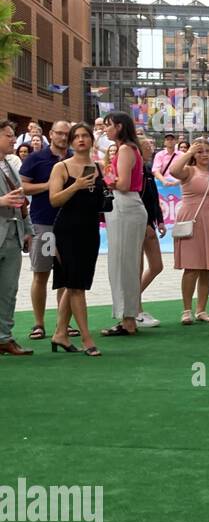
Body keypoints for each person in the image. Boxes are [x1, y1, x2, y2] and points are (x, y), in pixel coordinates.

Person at [46, 124, 104, 356]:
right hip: (67, 230)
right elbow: (54, 200)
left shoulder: (98, 167)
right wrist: (77, 186)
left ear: (91, 140)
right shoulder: (61, 167)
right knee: (76, 286)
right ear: (70, 142)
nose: (81, 140)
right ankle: (87, 339)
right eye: (76, 137)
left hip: (90, 230)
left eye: (85, 136)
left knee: (75, 282)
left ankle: (60, 333)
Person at [19, 119, 71, 341]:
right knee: (41, 273)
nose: (63, 137)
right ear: (51, 134)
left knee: (66, 276)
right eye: (59, 133)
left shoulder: (74, 158)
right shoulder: (35, 158)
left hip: (70, 225)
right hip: (44, 223)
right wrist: (50, 186)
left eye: (66, 134)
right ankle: (38, 323)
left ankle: (63, 325)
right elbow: (23, 187)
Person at [172, 138, 209, 324]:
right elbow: (173, 171)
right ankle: (186, 310)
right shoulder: (188, 171)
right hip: (192, 221)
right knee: (191, 267)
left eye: (207, 151)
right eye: (200, 151)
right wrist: (189, 152)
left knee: (208, 267)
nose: (204, 154)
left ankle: (201, 309)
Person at [100, 113, 148, 338]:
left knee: (123, 264)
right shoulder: (127, 149)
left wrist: (105, 178)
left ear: (119, 127)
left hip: (125, 205)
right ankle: (127, 316)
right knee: (123, 263)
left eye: (109, 125)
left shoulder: (126, 149)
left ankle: (128, 318)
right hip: (124, 206)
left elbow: (124, 184)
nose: (106, 129)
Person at [0, 121, 35, 356]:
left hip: (13, 236)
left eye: (14, 135)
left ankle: (4, 337)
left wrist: (28, 230)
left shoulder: (11, 165)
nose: (14, 139)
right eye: (8, 135)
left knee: (8, 291)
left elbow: (22, 202)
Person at [135, 136, 167, 329]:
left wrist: (159, 220)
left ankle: (132, 302)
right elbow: (138, 199)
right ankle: (135, 309)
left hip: (150, 222)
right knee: (136, 268)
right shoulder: (135, 170)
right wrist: (146, 222)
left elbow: (153, 197)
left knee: (156, 265)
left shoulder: (147, 169)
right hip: (139, 223)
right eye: (147, 145)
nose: (151, 148)